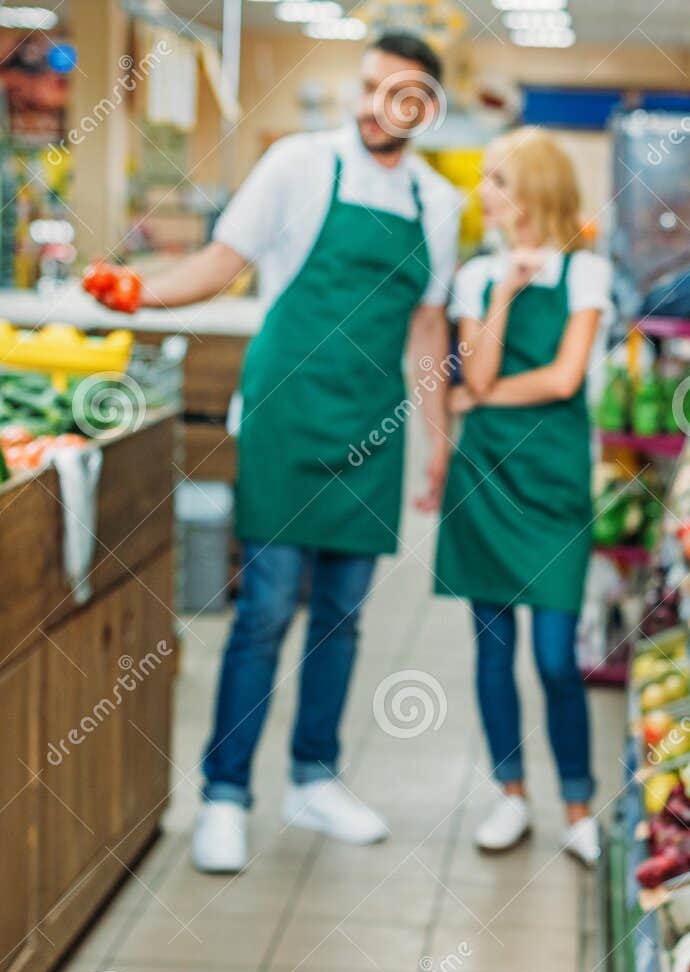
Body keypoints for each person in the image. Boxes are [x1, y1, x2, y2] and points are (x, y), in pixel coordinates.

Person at [85, 32, 464, 873]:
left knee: (343, 617)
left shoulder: (436, 206)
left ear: (425, 109)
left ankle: (313, 776)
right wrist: (140, 292)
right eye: (366, 87)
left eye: (396, 94)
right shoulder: (299, 165)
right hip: (288, 415)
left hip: (373, 430)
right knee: (264, 612)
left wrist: (438, 441)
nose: (373, 107)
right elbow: (223, 262)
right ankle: (226, 793)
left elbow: (429, 327)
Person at [432, 128, 613, 865]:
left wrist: (482, 397)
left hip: (555, 478)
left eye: (499, 179)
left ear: (536, 188)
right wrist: (505, 291)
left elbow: (564, 380)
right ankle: (510, 795)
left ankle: (578, 803)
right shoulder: (477, 276)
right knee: (492, 647)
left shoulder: (587, 274)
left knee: (553, 656)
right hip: (486, 481)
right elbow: (471, 380)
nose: (487, 193)